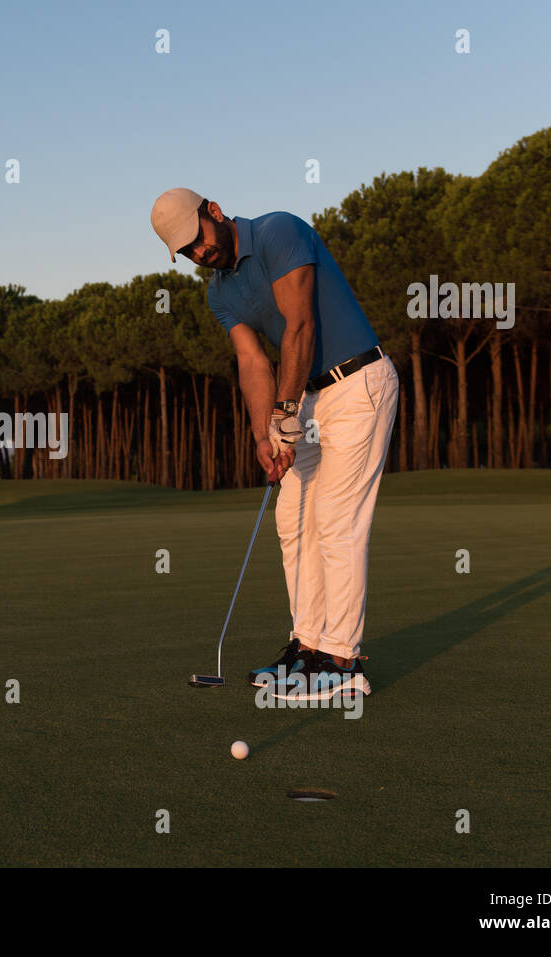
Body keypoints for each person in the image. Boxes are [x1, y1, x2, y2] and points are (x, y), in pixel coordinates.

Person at [150, 187, 398, 699]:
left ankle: (342, 662)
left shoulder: (277, 231)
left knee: (335, 518)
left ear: (213, 212)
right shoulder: (219, 291)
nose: (200, 254)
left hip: (358, 384)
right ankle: (307, 648)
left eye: (198, 239)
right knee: (293, 519)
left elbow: (299, 326)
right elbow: (252, 363)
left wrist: (285, 413)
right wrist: (265, 431)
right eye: (187, 252)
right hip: (304, 397)